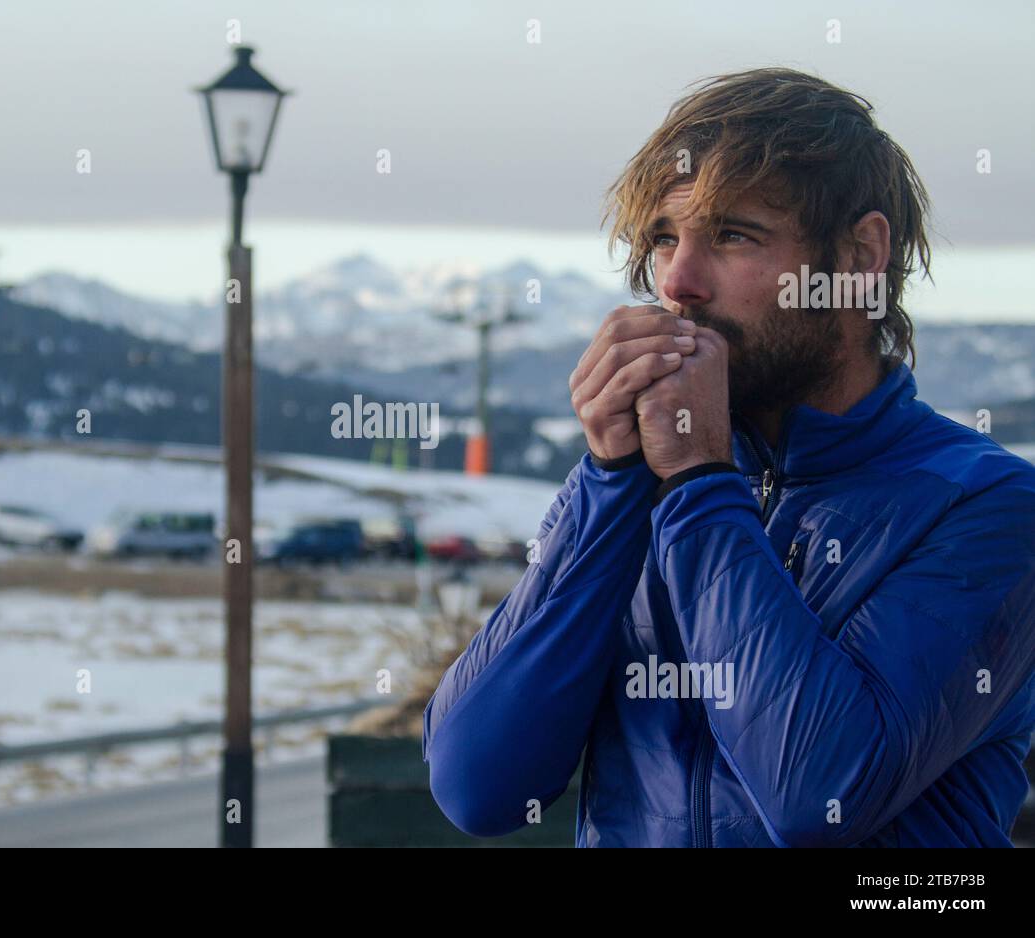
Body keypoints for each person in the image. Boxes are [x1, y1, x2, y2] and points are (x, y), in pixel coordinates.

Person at [422, 68, 1035, 847]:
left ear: (858, 256)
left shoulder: (986, 505)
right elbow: (479, 787)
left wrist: (702, 486)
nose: (678, 283)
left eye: (733, 235)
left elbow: (820, 792)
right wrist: (608, 482)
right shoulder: (640, 488)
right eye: (664, 239)